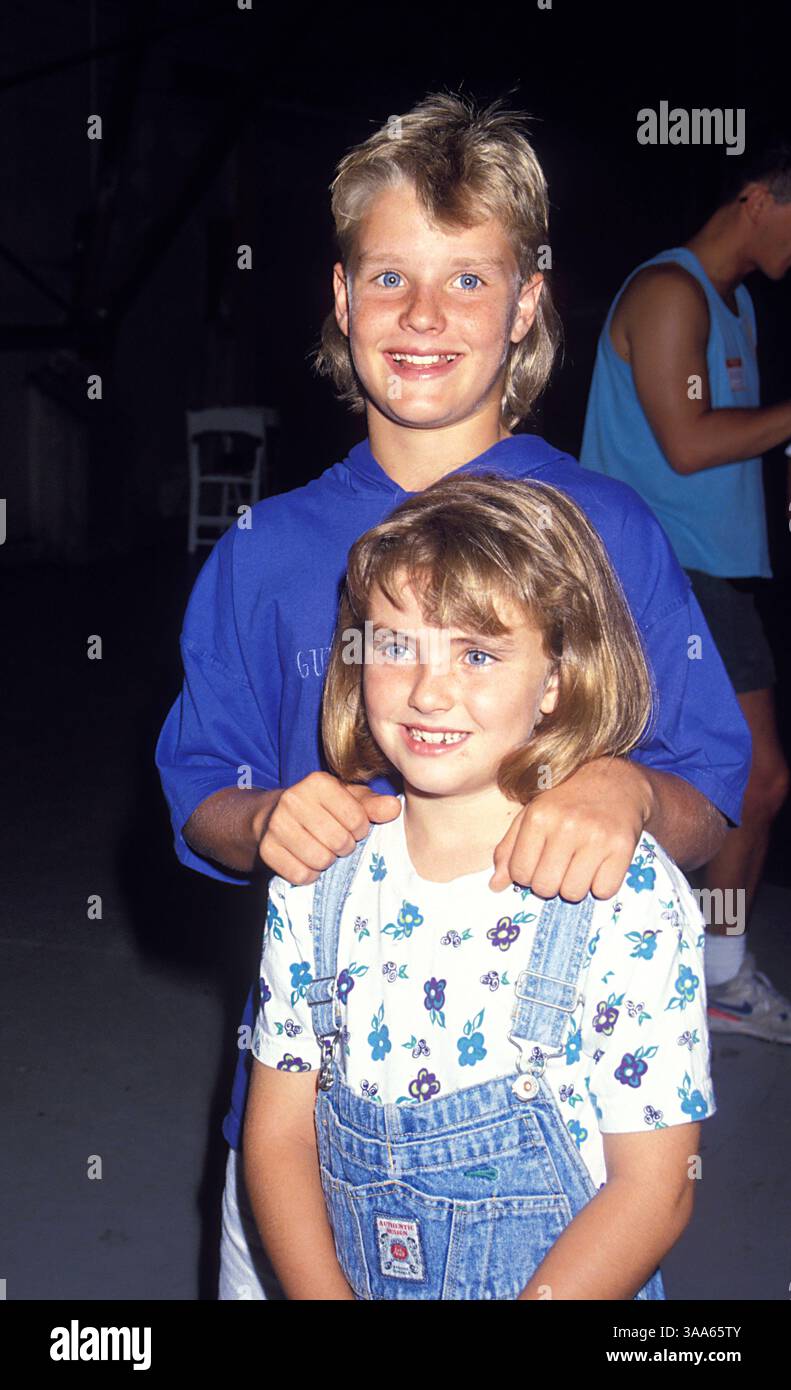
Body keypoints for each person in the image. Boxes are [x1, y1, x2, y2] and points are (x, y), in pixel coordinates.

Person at [154, 92, 749, 1300]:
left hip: (554, 1164)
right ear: (338, 298)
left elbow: (716, 812)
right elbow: (197, 796)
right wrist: (264, 820)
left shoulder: (608, 530)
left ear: (527, 303)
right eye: (388, 279)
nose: (424, 317)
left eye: (468, 281)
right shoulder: (261, 550)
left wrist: (626, 787)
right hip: (302, 1138)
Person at [243, 471, 714, 1301]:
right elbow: (278, 1136)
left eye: (477, 652)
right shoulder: (321, 878)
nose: (427, 690)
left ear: (557, 680)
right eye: (395, 645)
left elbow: (657, 1186)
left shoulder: (621, 896)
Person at [579, 136, 791, 1043]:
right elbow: (688, 443)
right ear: (756, 197)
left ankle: (690, 969)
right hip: (665, 574)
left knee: (698, 783)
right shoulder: (669, 292)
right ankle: (713, 973)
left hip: (709, 574)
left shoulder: (730, 303)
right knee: (755, 779)